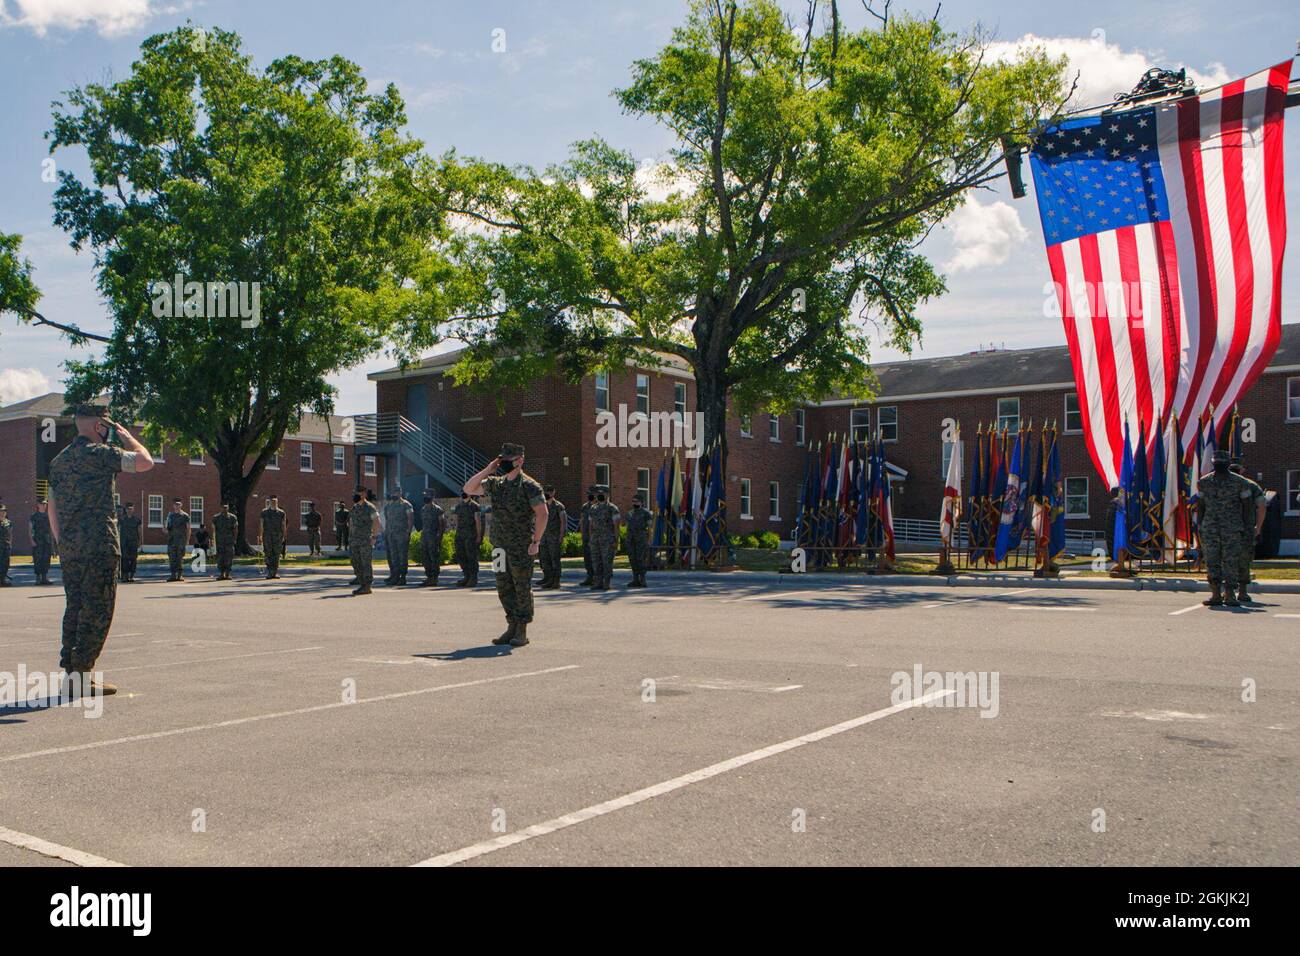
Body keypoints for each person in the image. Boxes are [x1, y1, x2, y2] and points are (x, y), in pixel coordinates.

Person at [47, 404, 155, 696]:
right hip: (99, 545)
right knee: (97, 610)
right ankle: (81, 676)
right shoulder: (100, 455)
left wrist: (63, 543)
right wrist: (127, 437)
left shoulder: (59, 461)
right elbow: (145, 462)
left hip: (70, 549)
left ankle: (71, 673)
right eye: (106, 426)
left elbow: (52, 509)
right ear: (99, 426)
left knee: (75, 607)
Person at [465, 443, 547, 647]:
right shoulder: (496, 483)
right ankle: (511, 625)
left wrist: (536, 541)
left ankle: (522, 629)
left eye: (507, 460)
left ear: (520, 460)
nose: (504, 464)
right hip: (499, 546)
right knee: (503, 585)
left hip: (521, 546)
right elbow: (468, 488)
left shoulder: (529, 485)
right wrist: (488, 469)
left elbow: (542, 514)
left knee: (521, 586)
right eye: (502, 460)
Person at [1197, 449, 1255, 607]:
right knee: (1212, 561)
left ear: (1228, 464)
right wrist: (1200, 525)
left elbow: (1248, 507)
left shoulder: (1240, 482)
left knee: (1231, 561)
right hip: (1211, 528)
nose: (1219, 466)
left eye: (1222, 464)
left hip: (1232, 529)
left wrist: (1247, 527)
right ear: (1213, 463)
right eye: (1217, 463)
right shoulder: (1204, 482)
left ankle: (1230, 594)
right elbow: (1200, 505)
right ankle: (1215, 594)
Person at [1229, 463, 1268, 605]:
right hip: (1245, 530)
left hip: (1225, 530)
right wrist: (1258, 527)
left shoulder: (1219, 483)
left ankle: (1227, 591)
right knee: (1244, 560)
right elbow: (1262, 505)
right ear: (1241, 471)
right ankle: (1242, 591)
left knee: (1226, 560)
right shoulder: (1250, 485)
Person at [588, 488, 620, 591]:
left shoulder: (612, 508)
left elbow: (616, 525)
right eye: (598, 494)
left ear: (607, 495)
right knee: (596, 561)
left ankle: (606, 582)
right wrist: (590, 537)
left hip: (607, 539)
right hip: (595, 539)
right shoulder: (593, 508)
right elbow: (591, 524)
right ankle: (597, 582)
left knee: (607, 562)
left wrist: (616, 540)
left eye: (602, 493)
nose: (600, 495)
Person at [348, 489, 379, 595]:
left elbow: (376, 522)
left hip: (365, 540)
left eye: (358, 493)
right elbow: (351, 523)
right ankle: (362, 583)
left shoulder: (370, 507)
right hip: (354, 540)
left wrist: (374, 537)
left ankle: (367, 586)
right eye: (355, 493)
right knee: (355, 562)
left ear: (363, 494)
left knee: (365, 563)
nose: (355, 495)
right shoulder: (354, 507)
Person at [383, 488, 415, 586]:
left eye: (396, 492)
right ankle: (394, 575)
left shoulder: (406, 505)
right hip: (391, 534)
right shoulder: (389, 505)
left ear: (400, 493)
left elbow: (410, 519)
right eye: (393, 492)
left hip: (402, 534)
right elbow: (387, 519)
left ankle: (403, 577)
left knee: (402, 556)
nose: (393, 494)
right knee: (393, 556)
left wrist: (408, 532)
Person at [537, 485, 566, 589]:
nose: (546, 494)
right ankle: (548, 579)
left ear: (553, 493)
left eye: (549, 492)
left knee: (555, 560)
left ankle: (556, 581)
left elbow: (563, 522)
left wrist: (561, 536)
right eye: (545, 492)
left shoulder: (558, 506)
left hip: (554, 537)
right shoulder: (542, 505)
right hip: (543, 537)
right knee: (544, 559)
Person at [452, 491, 481, 587]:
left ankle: (473, 577)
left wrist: (479, 535)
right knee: (461, 556)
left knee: (471, 556)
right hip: (460, 535)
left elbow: (477, 521)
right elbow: (456, 522)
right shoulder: (458, 506)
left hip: (471, 535)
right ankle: (466, 576)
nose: (463, 494)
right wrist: (456, 534)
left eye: (465, 492)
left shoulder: (474, 506)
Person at [419, 491, 447, 587]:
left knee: (434, 557)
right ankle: (429, 577)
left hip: (433, 537)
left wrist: (439, 537)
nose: (425, 497)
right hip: (425, 537)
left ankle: (434, 578)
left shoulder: (438, 510)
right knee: (425, 558)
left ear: (432, 497)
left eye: (427, 496)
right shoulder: (423, 509)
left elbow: (442, 524)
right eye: (424, 496)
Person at [625, 495, 652, 588]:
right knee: (632, 559)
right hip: (630, 539)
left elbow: (650, 528)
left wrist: (649, 540)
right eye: (633, 501)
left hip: (641, 539)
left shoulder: (646, 513)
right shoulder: (629, 513)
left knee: (641, 559)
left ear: (641, 502)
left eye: (636, 501)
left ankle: (643, 579)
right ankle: (635, 579)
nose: (634, 503)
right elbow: (627, 527)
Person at [259, 495, 287, 579]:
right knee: (268, 553)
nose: (274, 503)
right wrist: (260, 535)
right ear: (269, 502)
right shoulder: (264, 512)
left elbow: (283, 525)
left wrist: (284, 536)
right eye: (272, 502)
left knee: (276, 553)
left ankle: (274, 572)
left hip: (278, 536)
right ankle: (270, 571)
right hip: (267, 536)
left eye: (275, 502)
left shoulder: (281, 513)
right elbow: (261, 524)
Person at [164, 498, 191, 582]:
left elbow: (189, 529)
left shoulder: (185, 516)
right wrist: (164, 527)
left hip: (180, 540)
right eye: (175, 504)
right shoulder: (170, 516)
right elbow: (166, 529)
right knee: (172, 558)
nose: (177, 506)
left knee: (179, 558)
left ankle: (179, 575)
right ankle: (173, 575)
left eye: (178, 504)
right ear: (173, 506)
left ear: (181, 505)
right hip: (171, 540)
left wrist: (187, 540)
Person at [212, 503, 239, 580]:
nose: (224, 509)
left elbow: (235, 529)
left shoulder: (232, 517)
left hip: (229, 540)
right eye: (223, 507)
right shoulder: (216, 517)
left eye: (226, 507)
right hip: (220, 540)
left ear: (228, 508)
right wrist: (214, 540)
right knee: (220, 557)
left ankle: (227, 573)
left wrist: (235, 538)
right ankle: (221, 573)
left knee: (229, 557)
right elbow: (213, 529)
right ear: (220, 508)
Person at [30, 500, 54, 585]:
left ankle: (44, 578)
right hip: (37, 540)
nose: (44, 505)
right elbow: (30, 529)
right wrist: (32, 540)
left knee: (46, 559)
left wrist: (52, 541)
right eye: (42, 504)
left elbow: (51, 529)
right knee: (38, 559)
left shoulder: (49, 516)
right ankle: (38, 578)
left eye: (45, 504)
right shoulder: (34, 516)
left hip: (47, 541)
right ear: (38, 505)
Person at [119, 502, 142, 581]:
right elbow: (118, 530)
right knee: (124, 559)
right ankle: (125, 575)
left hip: (133, 542)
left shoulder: (137, 520)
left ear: (133, 509)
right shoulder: (121, 519)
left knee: (133, 559)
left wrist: (139, 541)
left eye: (131, 509)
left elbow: (139, 530)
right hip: (124, 542)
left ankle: (131, 575)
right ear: (125, 509)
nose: (129, 510)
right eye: (128, 509)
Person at [579, 488, 597, 586]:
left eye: (592, 494)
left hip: (596, 536)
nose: (590, 495)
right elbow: (582, 520)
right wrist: (582, 534)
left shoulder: (598, 506)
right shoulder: (585, 506)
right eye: (588, 494)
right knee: (587, 557)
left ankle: (596, 578)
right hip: (586, 535)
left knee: (595, 558)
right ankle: (589, 576)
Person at [0, 503, 11, 586]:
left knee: (5, 563)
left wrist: (10, 544)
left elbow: (10, 534)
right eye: (1, 511)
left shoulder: (8, 522)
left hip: (6, 546)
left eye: (4, 511)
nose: (3, 513)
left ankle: (2, 580)